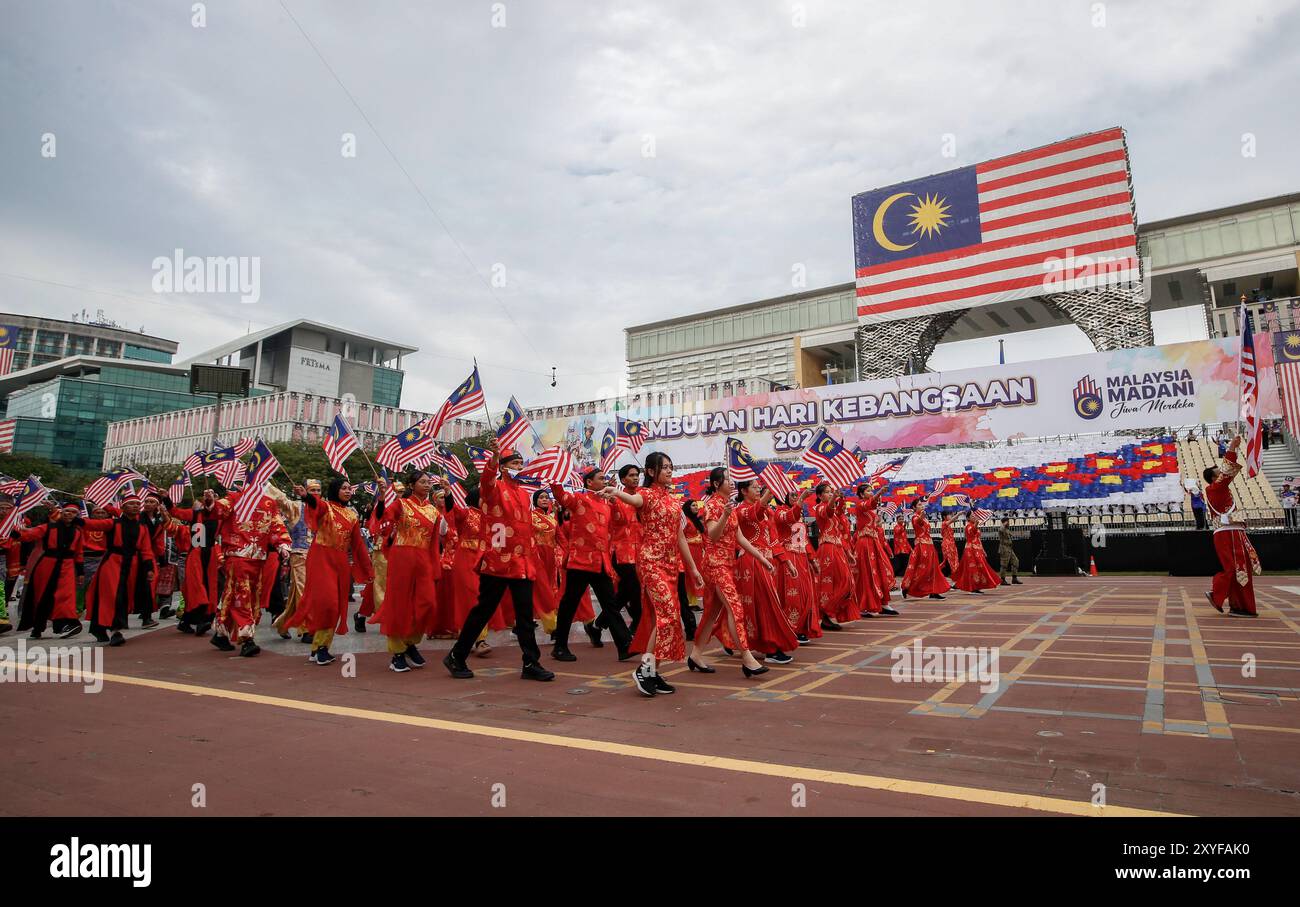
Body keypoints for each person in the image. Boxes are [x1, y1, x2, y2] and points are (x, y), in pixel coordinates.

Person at [444, 445, 555, 682]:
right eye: (515, 464)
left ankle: (531, 662)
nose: (519, 468)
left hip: (522, 563)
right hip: (497, 562)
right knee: (483, 610)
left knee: (525, 615)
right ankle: (457, 655)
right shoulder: (493, 488)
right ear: (503, 468)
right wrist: (494, 459)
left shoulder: (524, 495)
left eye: (520, 464)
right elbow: (486, 479)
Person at [599, 451, 699, 696]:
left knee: (664, 618)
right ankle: (645, 669)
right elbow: (633, 501)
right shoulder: (647, 494)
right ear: (652, 472)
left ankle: (653, 671)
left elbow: (679, 537)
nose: (669, 470)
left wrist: (693, 568)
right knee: (667, 614)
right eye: (664, 467)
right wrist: (616, 492)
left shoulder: (673, 501)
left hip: (671, 565)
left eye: (670, 466)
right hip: (651, 563)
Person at [680, 468, 768, 678]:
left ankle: (696, 654)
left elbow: (741, 539)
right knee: (735, 607)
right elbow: (712, 534)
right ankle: (747, 658)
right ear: (717, 484)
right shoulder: (712, 505)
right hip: (715, 565)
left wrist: (761, 558)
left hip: (727, 565)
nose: (732, 482)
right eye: (728, 479)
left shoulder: (730, 507)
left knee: (711, 613)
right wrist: (725, 515)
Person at [285, 478, 373, 665]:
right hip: (321, 558)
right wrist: (307, 496)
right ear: (335, 490)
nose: (348, 491)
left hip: (340, 561)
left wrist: (368, 570)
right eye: (343, 488)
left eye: (350, 488)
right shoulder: (326, 507)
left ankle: (319, 648)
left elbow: (358, 546)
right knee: (328, 603)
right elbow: (315, 504)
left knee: (336, 606)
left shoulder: (352, 516)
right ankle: (320, 647)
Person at [549, 467, 631, 662]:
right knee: (569, 604)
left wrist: (615, 502)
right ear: (589, 483)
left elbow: (623, 521)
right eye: (601, 479)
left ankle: (624, 645)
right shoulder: (579, 499)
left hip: (600, 563)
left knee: (610, 605)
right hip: (580, 562)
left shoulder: (607, 504)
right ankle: (560, 646)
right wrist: (556, 479)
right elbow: (561, 496)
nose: (605, 482)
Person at [207, 484, 292, 657]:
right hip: (237, 555)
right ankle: (247, 639)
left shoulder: (269, 503)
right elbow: (219, 510)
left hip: (259, 557)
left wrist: (283, 545)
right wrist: (211, 502)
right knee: (242, 594)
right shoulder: (234, 498)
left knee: (241, 594)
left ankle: (221, 633)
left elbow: (277, 526)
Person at [374, 469, 444, 672]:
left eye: (429, 481)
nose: (427, 484)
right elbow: (384, 519)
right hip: (402, 557)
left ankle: (410, 642)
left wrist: (435, 567)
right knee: (400, 604)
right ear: (412, 485)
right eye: (422, 481)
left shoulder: (433, 511)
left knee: (427, 603)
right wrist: (381, 496)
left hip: (423, 560)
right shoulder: (402, 504)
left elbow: (433, 544)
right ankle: (397, 652)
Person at [734, 480, 799, 664]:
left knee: (761, 605)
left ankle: (739, 640)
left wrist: (786, 562)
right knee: (766, 604)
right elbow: (754, 513)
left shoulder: (769, 513)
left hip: (767, 563)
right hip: (751, 562)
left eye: (758, 488)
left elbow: (773, 541)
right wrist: (768, 494)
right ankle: (771, 647)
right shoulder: (741, 511)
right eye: (754, 488)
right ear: (744, 491)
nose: (757, 490)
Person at [82, 490, 157, 647]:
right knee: (113, 596)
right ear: (123, 507)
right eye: (131, 504)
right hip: (112, 564)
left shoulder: (142, 527)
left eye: (138, 504)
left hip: (132, 565)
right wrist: (75, 519)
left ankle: (101, 628)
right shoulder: (113, 523)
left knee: (123, 596)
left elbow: (146, 549)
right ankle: (116, 630)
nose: (136, 506)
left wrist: (149, 567)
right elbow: (93, 524)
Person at [1203, 435, 1258, 617]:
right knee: (1237, 568)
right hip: (1228, 533)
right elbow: (1227, 473)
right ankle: (1231, 600)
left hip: (1232, 531)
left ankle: (1236, 603)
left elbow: (1226, 474)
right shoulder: (1214, 488)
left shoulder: (1220, 489)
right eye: (1218, 470)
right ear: (1213, 477)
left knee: (1240, 569)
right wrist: (1232, 448)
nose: (1222, 471)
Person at [17, 503, 85, 639]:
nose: (69, 514)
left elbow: (78, 552)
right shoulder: (48, 527)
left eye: (73, 512)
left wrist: (80, 572)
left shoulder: (78, 532)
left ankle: (65, 624)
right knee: (42, 595)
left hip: (67, 566)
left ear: (76, 516)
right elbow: (30, 534)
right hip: (47, 564)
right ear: (62, 513)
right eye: (66, 511)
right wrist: (15, 532)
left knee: (65, 596)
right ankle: (37, 627)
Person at [165, 489, 224, 636]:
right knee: (198, 586)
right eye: (208, 497)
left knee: (210, 586)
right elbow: (175, 512)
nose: (211, 500)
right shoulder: (194, 514)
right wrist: (166, 499)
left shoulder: (221, 518)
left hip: (210, 554)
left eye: (214, 497)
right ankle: (202, 619)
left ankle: (187, 621)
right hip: (196, 553)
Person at [272, 478, 319, 642]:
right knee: (303, 590)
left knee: (299, 594)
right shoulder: (297, 507)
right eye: (312, 490)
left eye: (318, 490)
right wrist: (264, 483)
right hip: (299, 554)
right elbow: (281, 500)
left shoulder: (323, 509)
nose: (316, 493)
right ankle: (306, 629)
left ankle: (283, 624)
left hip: (318, 557)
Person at [773, 489, 820, 640]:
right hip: (787, 559)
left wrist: (812, 560)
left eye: (796, 495)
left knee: (806, 594)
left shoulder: (798, 515)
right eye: (792, 495)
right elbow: (788, 518)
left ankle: (801, 627)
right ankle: (791, 628)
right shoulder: (779, 512)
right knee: (791, 596)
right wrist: (801, 500)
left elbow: (803, 540)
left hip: (800, 559)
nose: (795, 497)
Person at [604, 463, 643, 636]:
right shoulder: (616, 499)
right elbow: (619, 517)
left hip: (639, 552)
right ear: (622, 479)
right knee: (633, 588)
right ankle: (637, 623)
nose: (635, 477)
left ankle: (598, 623)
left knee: (626, 592)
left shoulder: (642, 498)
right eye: (631, 475)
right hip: (621, 552)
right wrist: (613, 499)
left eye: (637, 474)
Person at [812, 484, 854, 629]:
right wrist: (835, 498)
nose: (830, 494)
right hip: (828, 549)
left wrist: (848, 552)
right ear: (819, 496)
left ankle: (826, 612)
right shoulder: (819, 508)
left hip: (837, 548)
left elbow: (838, 519)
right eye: (827, 492)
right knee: (833, 582)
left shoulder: (834, 511)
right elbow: (828, 511)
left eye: (831, 492)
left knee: (845, 581)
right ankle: (825, 612)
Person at [901, 498, 948, 600]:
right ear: (914, 507)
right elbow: (918, 522)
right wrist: (921, 517)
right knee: (923, 570)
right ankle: (908, 588)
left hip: (930, 545)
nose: (921, 506)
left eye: (921, 505)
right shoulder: (914, 517)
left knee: (933, 569)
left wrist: (922, 517)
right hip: (922, 546)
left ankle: (934, 592)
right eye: (918, 505)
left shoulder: (925, 518)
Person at [952, 511, 1001, 594]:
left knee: (980, 568)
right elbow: (972, 531)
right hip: (970, 551)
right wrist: (976, 524)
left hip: (977, 550)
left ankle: (974, 586)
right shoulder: (968, 526)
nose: (974, 517)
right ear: (968, 518)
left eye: (974, 516)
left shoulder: (975, 526)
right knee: (973, 568)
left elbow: (978, 539)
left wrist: (983, 550)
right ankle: (973, 587)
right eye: (972, 516)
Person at [997, 517, 1022, 585]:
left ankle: (1014, 578)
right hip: (1004, 549)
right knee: (1004, 565)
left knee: (1016, 562)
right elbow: (1001, 530)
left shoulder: (1007, 529)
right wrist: (1003, 524)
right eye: (1008, 522)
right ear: (1005, 522)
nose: (1009, 523)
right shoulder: (1001, 529)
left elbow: (1011, 535)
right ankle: (1002, 580)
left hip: (1009, 548)